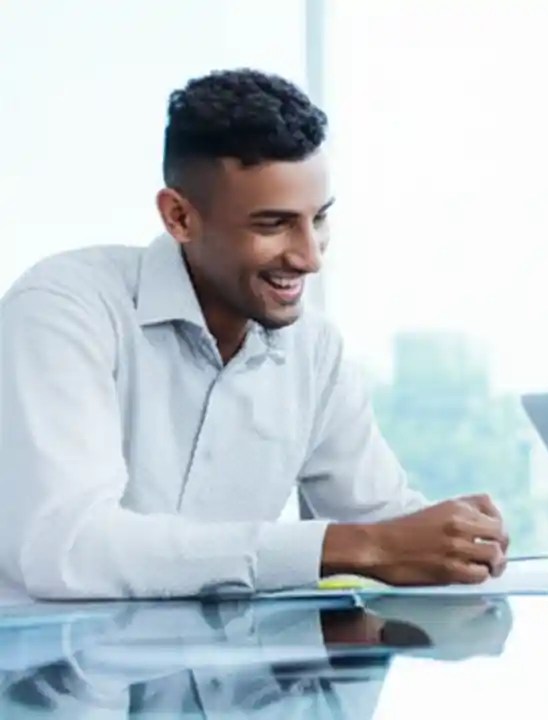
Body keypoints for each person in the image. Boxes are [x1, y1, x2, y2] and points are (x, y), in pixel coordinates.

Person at [0, 68, 508, 600]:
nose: (309, 257)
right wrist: (355, 547)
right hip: (57, 676)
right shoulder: (66, 310)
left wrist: (461, 541)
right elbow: (69, 548)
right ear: (179, 217)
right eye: (273, 224)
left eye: (320, 219)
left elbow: (382, 524)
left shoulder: (314, 351)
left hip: (226, 672)